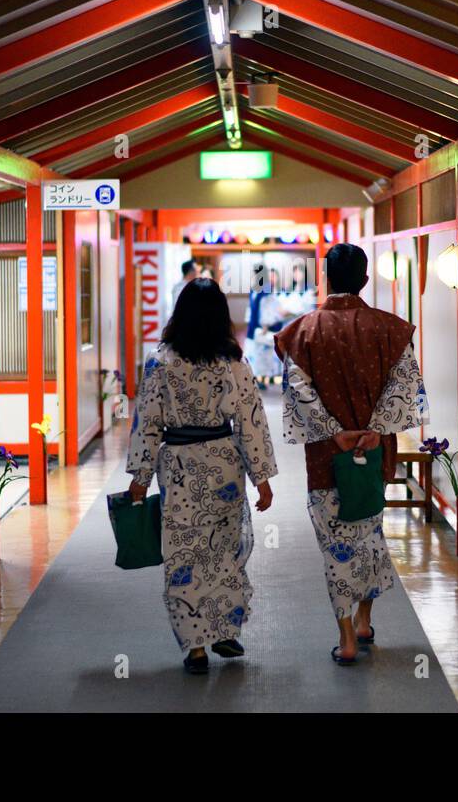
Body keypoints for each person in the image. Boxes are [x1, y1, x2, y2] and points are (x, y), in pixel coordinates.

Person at [275, 243, 426, 666]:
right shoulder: (390, 329)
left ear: (325, 277)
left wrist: (334, 433)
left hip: (326, 459)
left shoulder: (302, 331)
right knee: (370, 533)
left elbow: (298, 389)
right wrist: (375, 430)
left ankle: (345, 638)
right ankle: (363, 619)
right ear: (363, 279)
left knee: (335, 546)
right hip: (375, 457)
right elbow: (405, 384)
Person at [126, 278, 278, 675]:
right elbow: (250, 421)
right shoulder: (232, 361)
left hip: (177, 466)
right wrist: (262, 477)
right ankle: (224, 630)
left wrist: (140, 477)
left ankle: (195, 647)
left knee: (183, 553)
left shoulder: (161, 361)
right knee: (224, 550)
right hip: (224, 465)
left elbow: (147, 423)